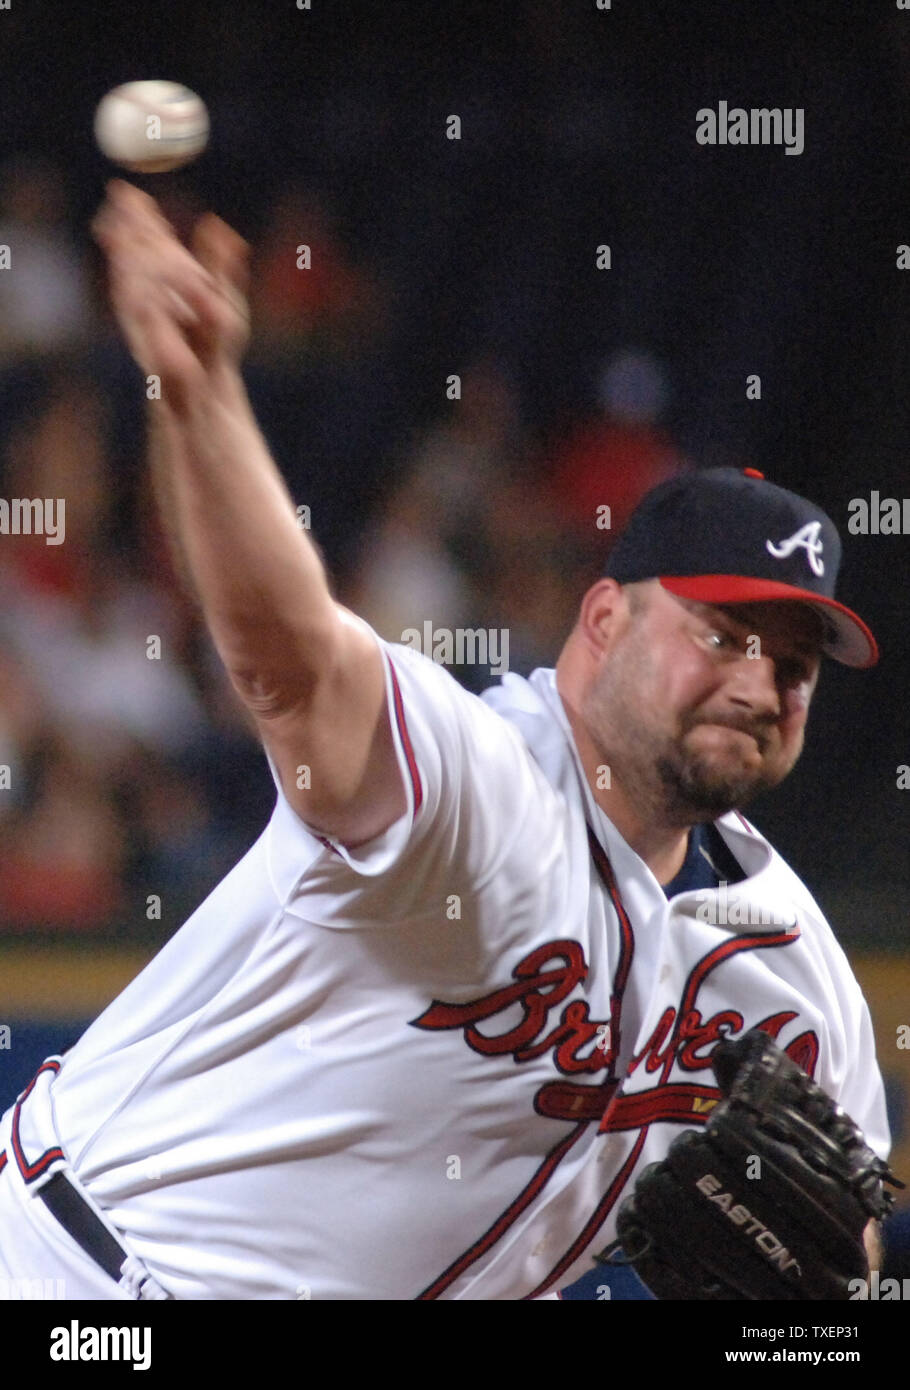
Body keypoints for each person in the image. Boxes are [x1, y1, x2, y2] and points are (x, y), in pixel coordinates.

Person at [0, 182, 888, 1301]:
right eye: (721, 634)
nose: (759, 683)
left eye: (794, 664)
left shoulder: (794, 973)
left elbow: (847, 1252)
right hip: (88, 1274)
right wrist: (199, 396)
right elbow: (290, 659)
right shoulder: (479, 776)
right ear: (602, 623)